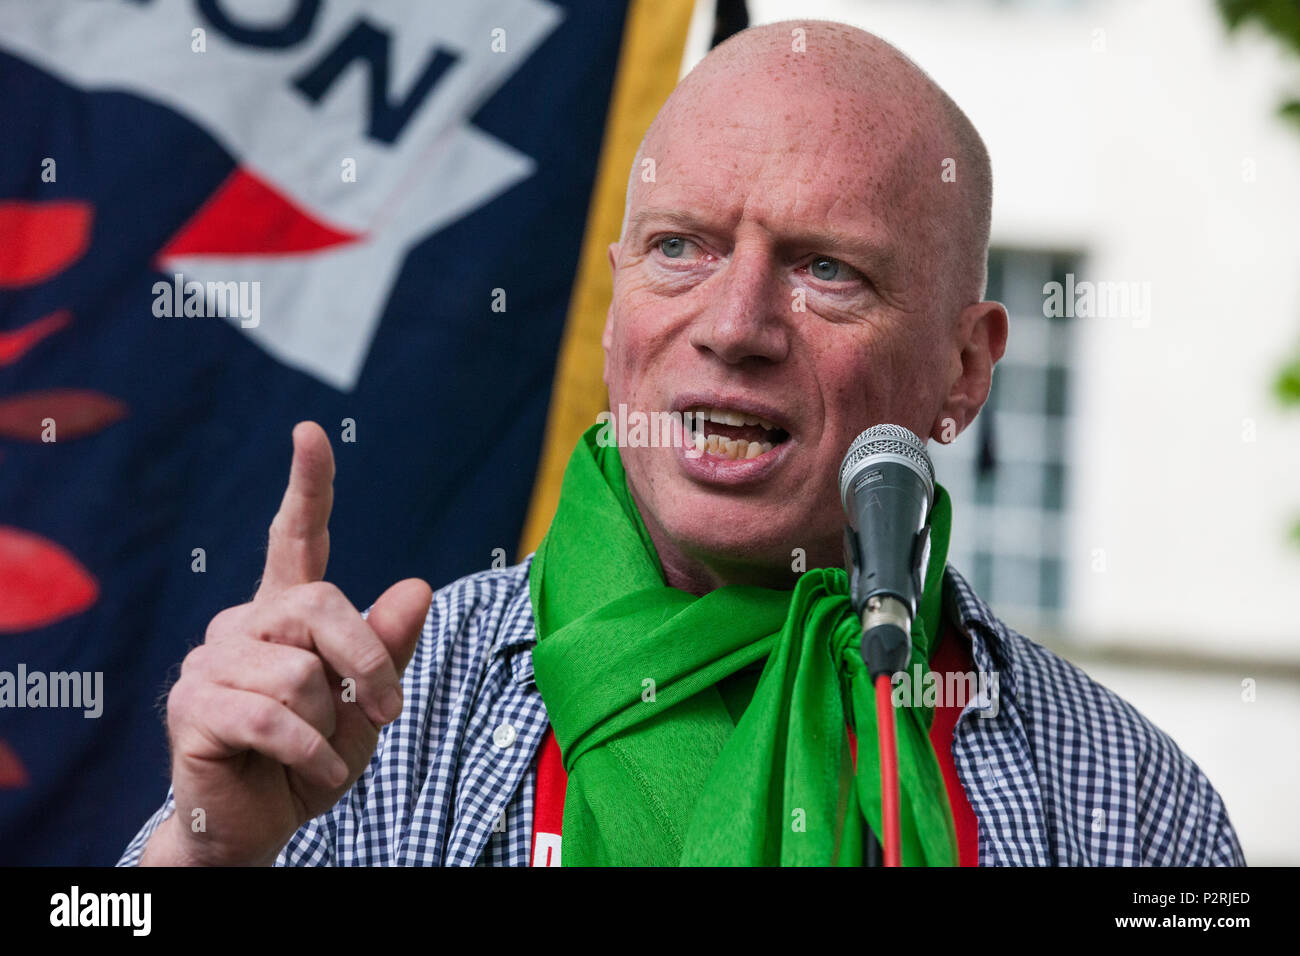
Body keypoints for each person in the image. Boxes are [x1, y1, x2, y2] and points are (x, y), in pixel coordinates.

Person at [119, 19, 1243, 867]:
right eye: (681, 248)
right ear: (612, 314)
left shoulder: (1124, 796)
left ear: (964, 368)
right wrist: (206, 851)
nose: (733, 324)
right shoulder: (383, 704)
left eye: (825, 269)